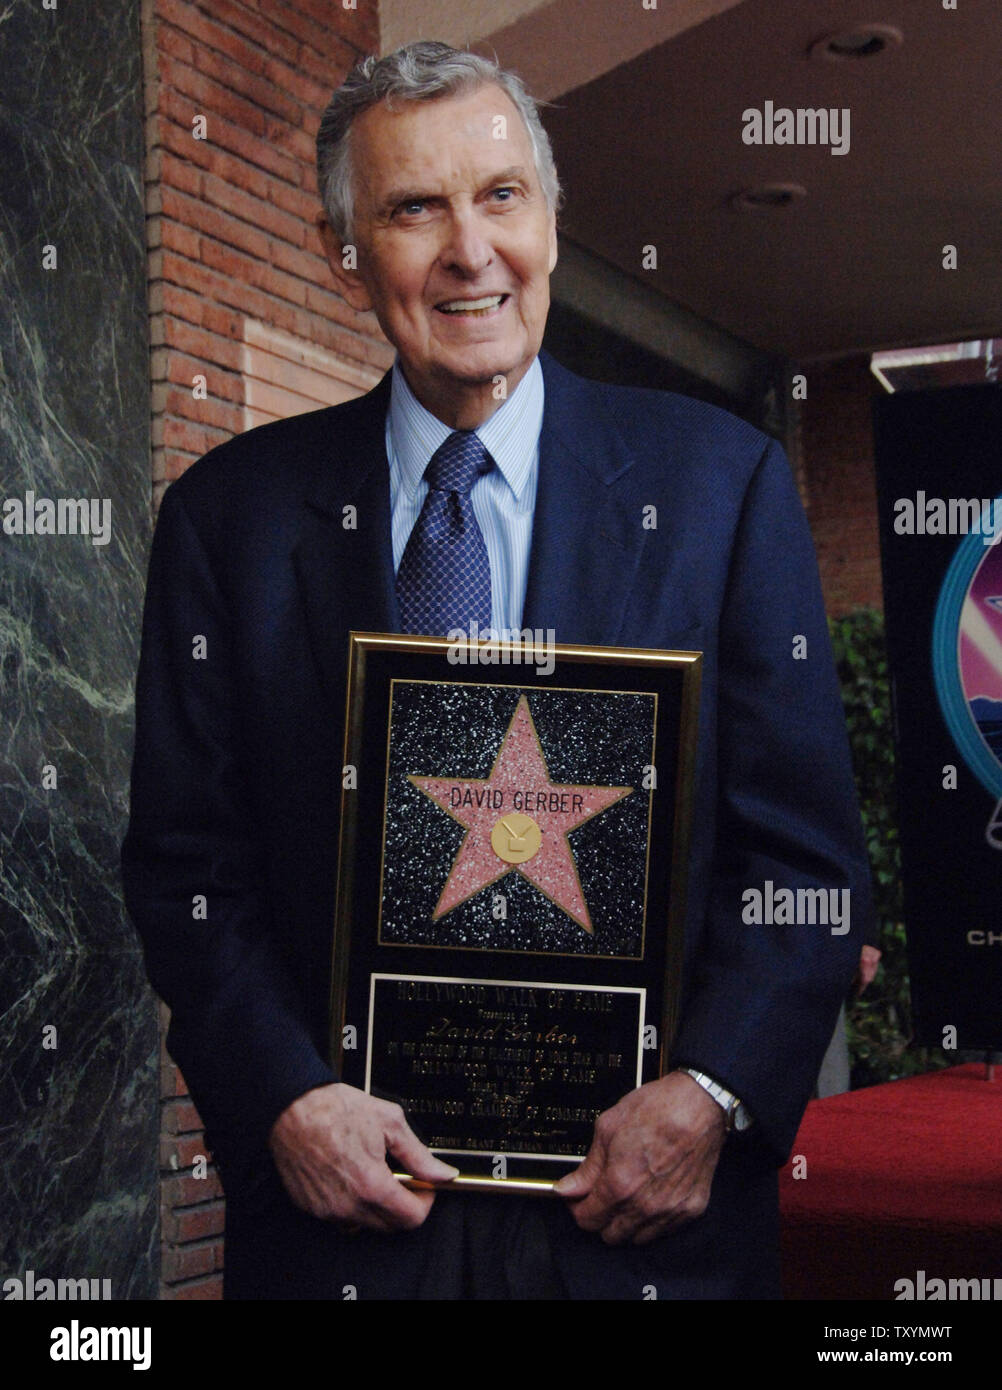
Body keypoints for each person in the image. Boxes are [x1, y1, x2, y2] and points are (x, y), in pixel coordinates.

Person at [121, 41, 871, 1300]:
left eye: (501, 196)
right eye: (416, 208)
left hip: (643, 1240)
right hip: (348, 1239)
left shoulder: (719, 487)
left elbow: (801, 869)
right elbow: (189, 870)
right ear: (343, 251)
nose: (471, 250)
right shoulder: (227, 521)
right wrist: (289, 1099)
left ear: (551, 218)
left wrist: (713, 1095)